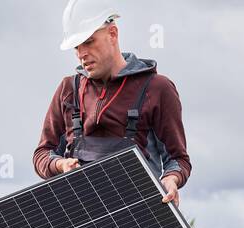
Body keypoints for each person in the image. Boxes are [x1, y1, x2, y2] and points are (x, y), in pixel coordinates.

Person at [34, 1, 191, 207]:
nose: (82, 53)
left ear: (113, 34)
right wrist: (60, 164)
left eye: (89, 41)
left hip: (138, 221)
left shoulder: (157, 88)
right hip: (75, 221)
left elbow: (178, 159)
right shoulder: (68, 89)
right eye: (76, 46)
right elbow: (42, 154)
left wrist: (170, 179)